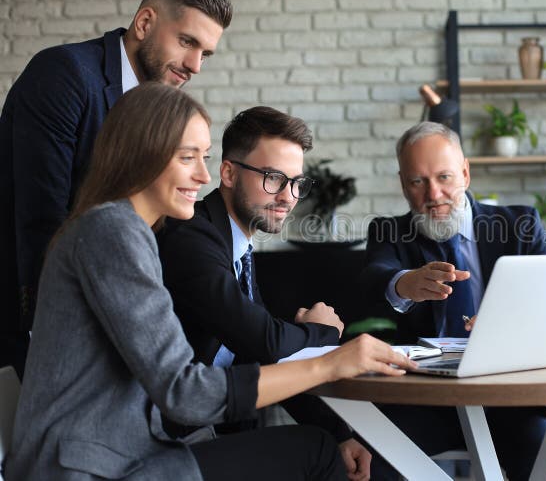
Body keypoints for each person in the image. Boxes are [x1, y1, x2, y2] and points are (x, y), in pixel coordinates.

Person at [3, 82, 415, 481]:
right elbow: (184, 391)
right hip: (95, 467)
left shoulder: (125, 231)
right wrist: (328, 361)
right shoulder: (115, 232)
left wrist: (339, 425)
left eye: (203, 157)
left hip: (126, 452)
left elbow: (250, 355)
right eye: (188, 158)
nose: (203, 176)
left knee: (321, 447)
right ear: (141, 154)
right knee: (316, 453)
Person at [0, 0, 232, 378]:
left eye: (206, 54)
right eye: (187, 42)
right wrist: (51, 337)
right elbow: (41, 218)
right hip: (39, 325)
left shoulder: (158, 109)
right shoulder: (65, 74)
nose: (195, 65)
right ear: (145, 23)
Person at [157, 106, 381, 480]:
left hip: (207, 430)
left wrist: (340, 434)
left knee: (332, 447)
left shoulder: (236, 249)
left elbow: (264, 356)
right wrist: (321, 330)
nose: (288, 197)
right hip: (163, 443)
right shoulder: (191, 237)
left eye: (296, 183)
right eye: (274, 178)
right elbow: (264, 340)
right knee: (316, 451)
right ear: (228, 173)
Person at [359, 121, 546, 481]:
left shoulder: (520, 225)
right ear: (403, 184)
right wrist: (404, 283)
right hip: (425, 401)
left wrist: (512, 322)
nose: (433, 194)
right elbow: (375, 276)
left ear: (465, 172)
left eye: (444, 177)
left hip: (510, 399)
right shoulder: (389, 232)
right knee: (367, 463)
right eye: (417, 181)